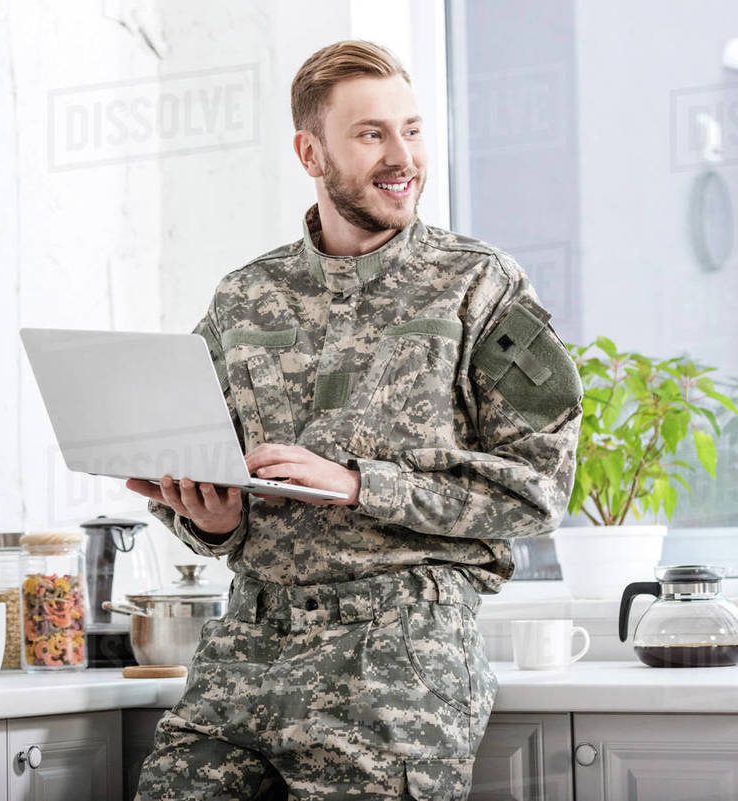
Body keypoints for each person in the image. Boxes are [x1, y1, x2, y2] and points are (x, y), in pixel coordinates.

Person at [125, 40, 583, 800]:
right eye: (372, 134)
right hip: (245, 649)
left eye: (412, 129)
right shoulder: (244, 299)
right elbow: (198, 461)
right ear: (311, 151)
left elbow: (538, 489)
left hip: (395, 658)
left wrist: (358, 484)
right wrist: (209, 519)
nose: (402, 156)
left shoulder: (478, 284)